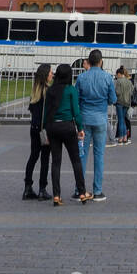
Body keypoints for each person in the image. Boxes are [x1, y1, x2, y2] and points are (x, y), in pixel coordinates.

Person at [75, 49, 117, 200]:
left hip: (85, 119)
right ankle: (97, 190)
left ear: (88, 61)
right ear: (100, 61)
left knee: (82, 154)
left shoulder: (81, 77)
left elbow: (76, 99)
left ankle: (79, 189)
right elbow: (112, 99)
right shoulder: (107, 77)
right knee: (99, 155)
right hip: (100, 119)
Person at [43, 64, 88, 205]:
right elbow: (76, 111)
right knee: (76, 160)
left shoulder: (50, 90)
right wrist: (80, 128)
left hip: (53, 127)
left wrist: (46, 130)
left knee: (56, 162)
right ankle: (82, 192)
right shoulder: (71, 90)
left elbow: (47, 112)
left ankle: (56, 195)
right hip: (68, 127)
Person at [23, 63, 52, 200]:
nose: (52, 75)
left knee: (33, 157)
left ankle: (27, 187)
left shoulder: (35, 90)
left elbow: (32, 109)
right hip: (44, 130)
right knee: (45, 159)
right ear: (46, 75)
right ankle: (42, 188)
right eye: (51, 73)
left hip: (33, 128)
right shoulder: (48, 91)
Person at [114, 65, 132, 144]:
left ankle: (120, 138)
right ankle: (125, 137)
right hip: (127, 103)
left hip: (120, 102)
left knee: (120, 120)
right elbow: (131, 92)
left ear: (119, 74)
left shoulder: (118, 81)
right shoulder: (129, 81)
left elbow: (117, 92)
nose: (116, 76)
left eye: (116, 74)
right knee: (123, 120)